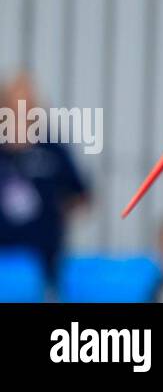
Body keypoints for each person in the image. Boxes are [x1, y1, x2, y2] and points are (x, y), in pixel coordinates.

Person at [0, 71, 92, 290]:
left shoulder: (52, 148)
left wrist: (56, 212)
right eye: (15, 107)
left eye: (28, 106)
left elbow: (82, 194)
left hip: (44, 260)